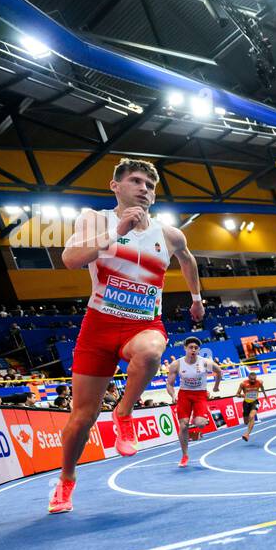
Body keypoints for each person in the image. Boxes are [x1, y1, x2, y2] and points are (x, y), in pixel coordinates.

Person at [49, 156, 204, 512]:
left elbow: (188, 260)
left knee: (151, 352)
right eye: (136, 181)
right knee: (81, 420)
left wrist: (196, 299)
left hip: (143, 324)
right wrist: (116, 233)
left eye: (150, 185)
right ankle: (66, 481)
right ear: (115, 186)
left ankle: (123, 412)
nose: (144, 189)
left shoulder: (168, 234)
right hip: (98, 326)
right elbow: (71, 259)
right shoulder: (95, 219)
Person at [165, 336, 221, 468]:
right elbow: (169, 384)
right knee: (183, 425)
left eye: (196, 348)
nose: (193, 350)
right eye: (191, 347)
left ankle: (197, 423)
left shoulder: (205, 362)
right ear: (185, 348)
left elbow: (219, 371)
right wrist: (173, 395)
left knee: (200, 424)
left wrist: (216, 386)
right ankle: (185, 455)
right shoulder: (177, 364)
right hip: (184, 395)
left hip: (200, 395)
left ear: (199, 350)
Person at [236, 372, 265, 442]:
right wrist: (242, 395)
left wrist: (265, 395)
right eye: (252, 379)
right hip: (246, 403)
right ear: (248, 378)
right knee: (246, 422)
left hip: (254, 402)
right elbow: (237, 394)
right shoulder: (243, 384)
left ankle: (247, 434)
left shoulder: (260, 382)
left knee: (251, 416)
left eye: (254, 379)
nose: (253, 381)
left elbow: (262, 388)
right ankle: (247, 432)